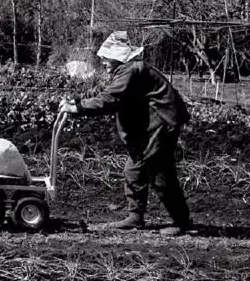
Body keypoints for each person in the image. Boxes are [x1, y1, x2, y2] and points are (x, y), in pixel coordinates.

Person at [59, 31, 191, 236]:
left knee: (159, 175)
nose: (103, 62)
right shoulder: (127, 70)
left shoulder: (132, 70)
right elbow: (107, 92)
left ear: (118, 56)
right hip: (148, 128)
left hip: (160, 126)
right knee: (134, 171)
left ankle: (181, 221)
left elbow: (111, 100)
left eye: (106, 58)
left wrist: (78, 108)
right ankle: (135, 217)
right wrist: (77, 101)